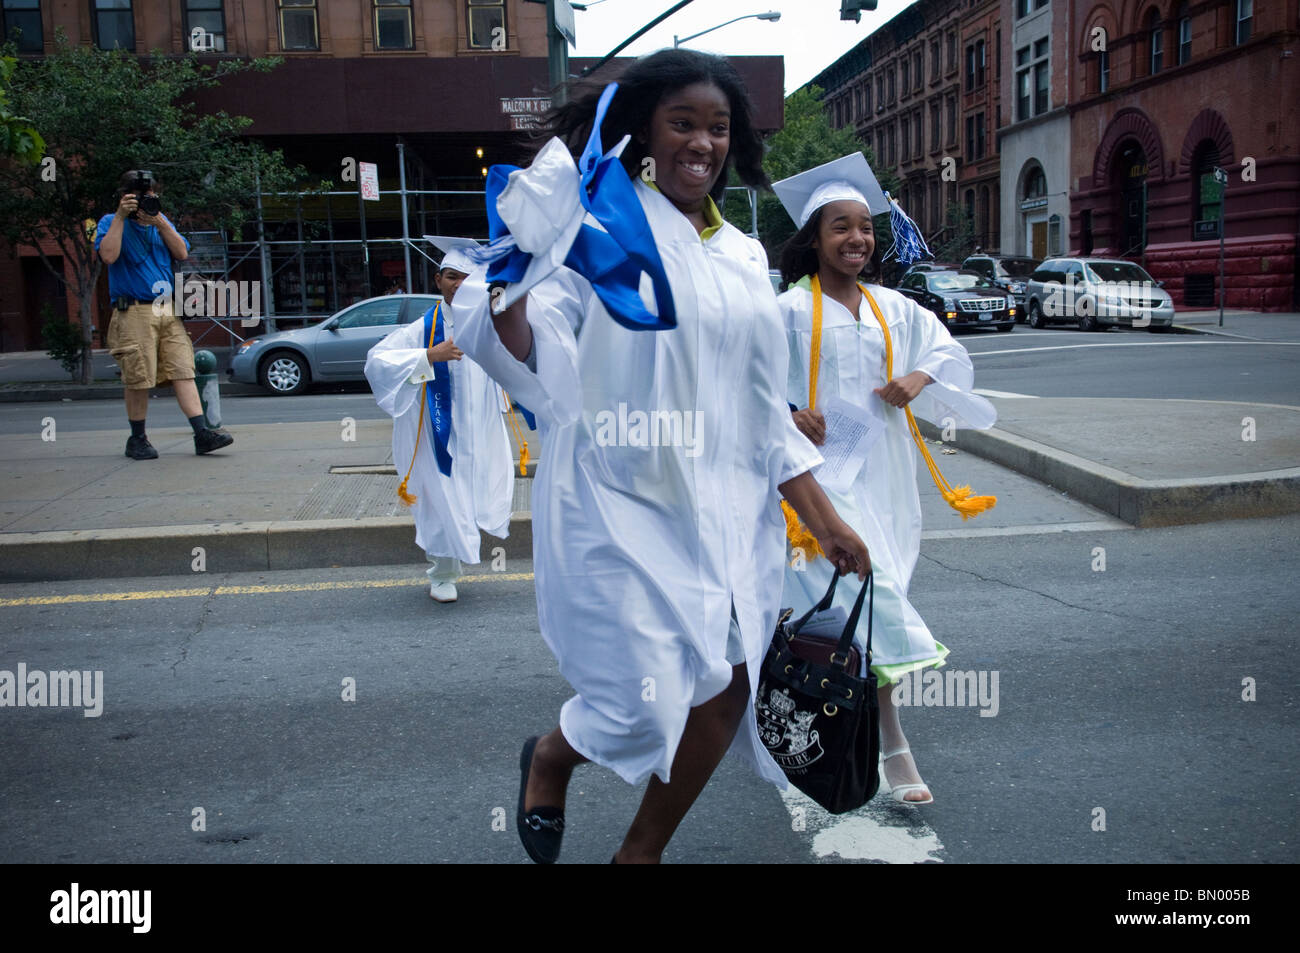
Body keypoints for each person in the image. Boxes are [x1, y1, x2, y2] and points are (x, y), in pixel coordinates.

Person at [453, 50, 870, 864]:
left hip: (727, 513)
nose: (702, 143)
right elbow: (534, 344)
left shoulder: (744, 256)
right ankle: (551, 752)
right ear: (643, 128)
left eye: (718, 127)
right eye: (683, 122)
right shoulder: (596, 231)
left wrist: (824, 518)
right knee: (645, 706)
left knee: (725, 693)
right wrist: (515, 269)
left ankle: (638, 853)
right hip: (621, 502)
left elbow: (760, 407)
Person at [772, 153, 997, 805]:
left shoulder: (893, 309)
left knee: (858, 611)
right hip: (816, 485)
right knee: (874, 602)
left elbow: (948, 351)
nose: (857, 239)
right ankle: (894, 745)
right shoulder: (786, 310)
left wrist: (918, 378)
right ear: (813, 238)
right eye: (840, 226)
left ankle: (817, 726)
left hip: (885, 476)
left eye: (866, 227)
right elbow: (747, 387)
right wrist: (791, 412)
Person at [363, 237, 514, 603]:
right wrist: (429, 355)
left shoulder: (490, 323)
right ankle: (443, 575)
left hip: (482, 429)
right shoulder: (422, 328)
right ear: (438, 281)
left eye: (467, 277)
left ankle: (462, 552)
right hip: (438, 435)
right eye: (451, 276)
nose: (458, 284)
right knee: (444, 500)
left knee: (478, 494)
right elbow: (377, 362)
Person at [95, 170, 234, 460]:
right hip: (133, 309)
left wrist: (159, 220)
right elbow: (108, 256)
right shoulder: (110, 222)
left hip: (168, 309)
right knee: (138, 376)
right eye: (142, 197)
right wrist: (121, 216)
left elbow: (182, 252)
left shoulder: (160, 222)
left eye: (153, 196)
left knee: (183, 369)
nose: (149, 200)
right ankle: (137, 439)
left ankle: (201, 435)